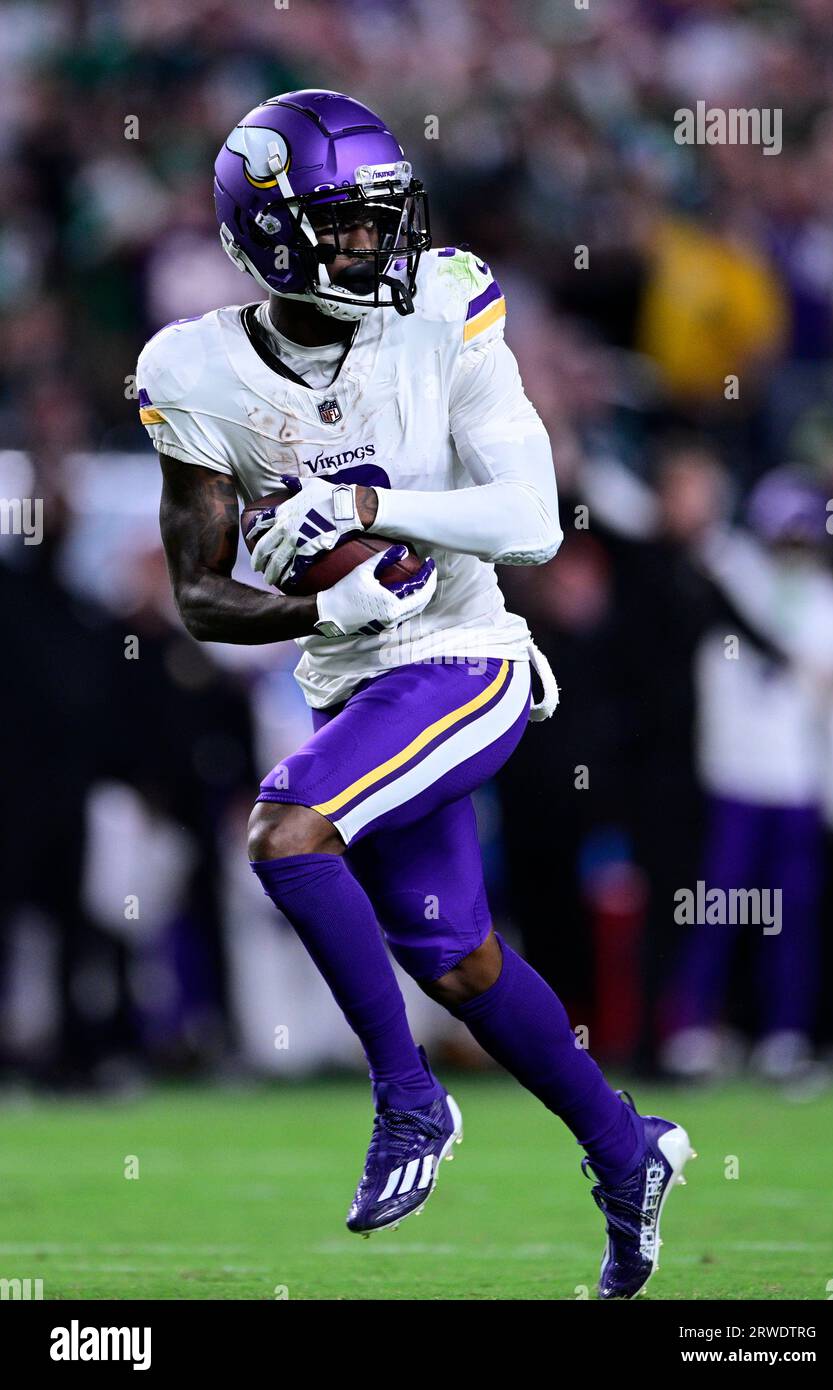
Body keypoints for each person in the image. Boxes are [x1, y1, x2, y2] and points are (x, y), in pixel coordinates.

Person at [136, 88, 693, 1299]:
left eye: (384, 215)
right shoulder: (192, 369)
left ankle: (407, 1101)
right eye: (344, 223)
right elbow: (200, 597)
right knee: (457, 958)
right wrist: (319, 605)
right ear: (270, 233)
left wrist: (371, 510)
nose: (375, 243)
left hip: (468, 655)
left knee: (288, 830)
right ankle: (624, 1146)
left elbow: (531, 520)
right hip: (354, 682)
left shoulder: (442, 307)